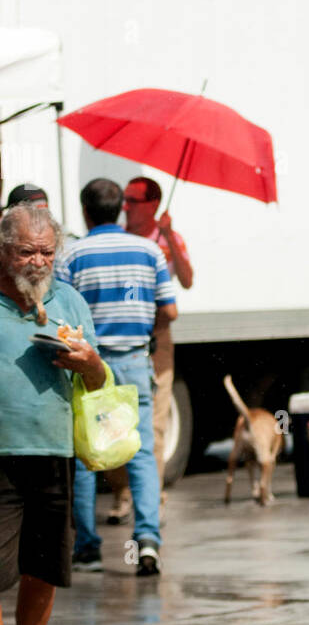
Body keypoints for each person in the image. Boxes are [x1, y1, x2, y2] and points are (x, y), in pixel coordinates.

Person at [0, 203, 106, 625]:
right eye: (26, 251)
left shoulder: (69, 301)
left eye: (46, 252)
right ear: (4, 251)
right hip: (2, 454)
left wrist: (89, 362)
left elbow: (99, 381)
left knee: (43, 569)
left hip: (53, 452)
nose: (38, 262)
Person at [56, 179, 177, 577]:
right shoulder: (149, 251)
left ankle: (88, 549)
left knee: (88, 453)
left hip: (90, 364)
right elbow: (170, 311)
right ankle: (147, 542)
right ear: (120, 210)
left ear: (85, 211)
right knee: (139, 452)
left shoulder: (71, 255)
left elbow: (61, 316)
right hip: (135, 364)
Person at [104, 177, 194, 521]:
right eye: (124, 198)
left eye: (133, 199)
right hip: (119, 338)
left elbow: (187, 280)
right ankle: (121, 493)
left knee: (154, 424)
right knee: (113, 422)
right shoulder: (117, 237)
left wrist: (169, 235)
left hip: (157, 342)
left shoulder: (166, 239)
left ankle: (150, 498)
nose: (125, 205)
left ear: (152, 205)